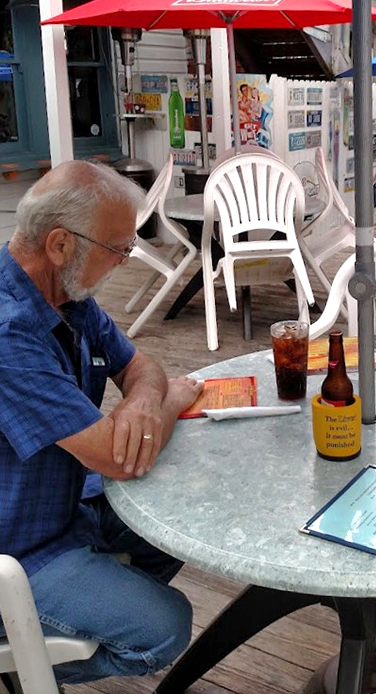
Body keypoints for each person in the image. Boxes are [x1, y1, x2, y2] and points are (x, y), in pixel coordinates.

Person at [0, 160, 203, 687]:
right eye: (118, 248)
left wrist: (141, 403)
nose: (126, 259)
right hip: (17, 552)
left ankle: (91, 598)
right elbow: (116, 455)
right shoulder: (8, 334)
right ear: (61, 243)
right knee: (165, 626)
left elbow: (142, 365)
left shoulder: (65, 295)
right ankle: (26, 664)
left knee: (182, 526)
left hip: (68, 507)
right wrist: (170, 404)